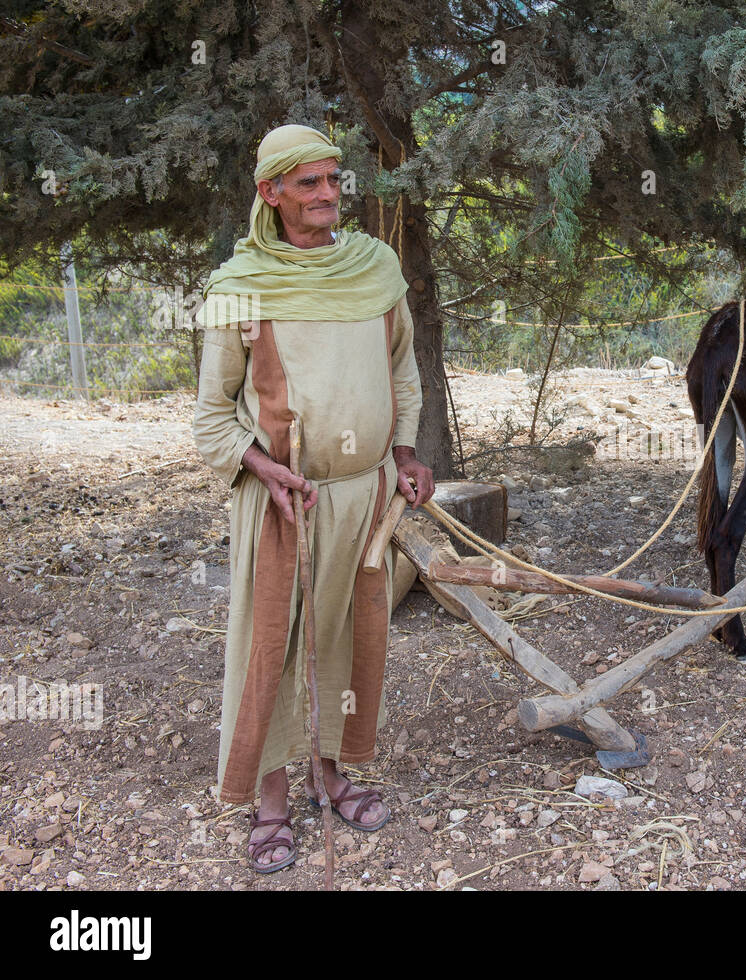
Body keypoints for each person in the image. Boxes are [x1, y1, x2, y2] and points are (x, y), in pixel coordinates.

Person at [193, 124, 434, 872]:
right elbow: (211, 413)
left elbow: (402, 371)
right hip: (282, 500)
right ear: (271, 193)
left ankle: (331, 773)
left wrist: (403, 452)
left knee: (349, 636)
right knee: (273, 643)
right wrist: (260, 467)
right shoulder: (242, 288)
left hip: (365, 494)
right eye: (309, 183)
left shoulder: (374, 269)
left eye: (334, 180)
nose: (329, 194)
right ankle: (269, 796)